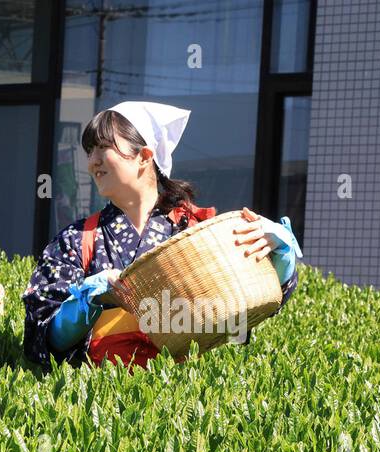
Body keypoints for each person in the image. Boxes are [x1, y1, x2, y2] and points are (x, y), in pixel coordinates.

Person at [23, 101, 302, 370]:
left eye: (103, 148)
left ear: (144, 156)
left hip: (180, 401)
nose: (92, 161)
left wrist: (278, 254)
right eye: (89, 151)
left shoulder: (196, 231)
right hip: (99, 394)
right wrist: (87, 301)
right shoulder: (75, 239)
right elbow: (41, 336)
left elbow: (246, 307)